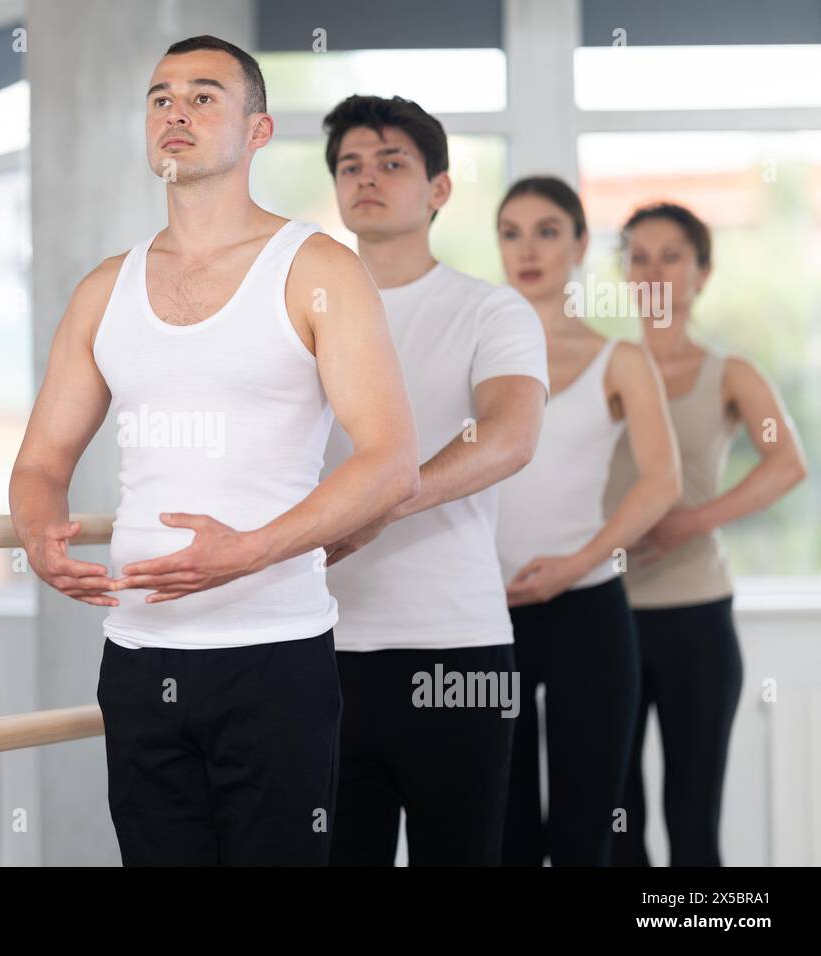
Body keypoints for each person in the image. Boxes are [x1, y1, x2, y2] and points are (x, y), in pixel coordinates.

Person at [8, 35, 419, 866]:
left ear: (258, 131)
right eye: (161, 98)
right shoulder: (104, 288)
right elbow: (41, 460)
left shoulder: (318, 271)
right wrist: (37, 533)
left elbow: (390, 460)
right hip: (137, 657)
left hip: (273, 656)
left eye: (203, 97)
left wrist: (248, 553)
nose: (176, 114)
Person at [317, 95, 548, 866]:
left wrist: (381, 502)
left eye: (391, 163)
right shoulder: (300, 311)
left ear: (438, 189)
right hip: (321, 644)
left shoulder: (491, 310)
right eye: (350, 166)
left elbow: (511, 436)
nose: (367, 178)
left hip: (459, 651)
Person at [606, 202, 808, 866]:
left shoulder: (731, 374)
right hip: (606, 618)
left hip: (696, 618)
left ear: (703, 272)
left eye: (672, 257)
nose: (654, 271)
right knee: (615, 821)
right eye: (639, 256)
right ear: (624, 272)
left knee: (692, 819)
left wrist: (691, 521)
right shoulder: (598, 368)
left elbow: (788, 462)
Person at [494, 176, 682, 866]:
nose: (528, 248)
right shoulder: (478, 355)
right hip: (490, 619)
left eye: (547, 231)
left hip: (588, 614)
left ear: (579, 244)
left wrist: (578, 563)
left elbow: (664, 482)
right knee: (503, 839)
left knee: (586, 839)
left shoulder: (620, 358)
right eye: (510, 232)